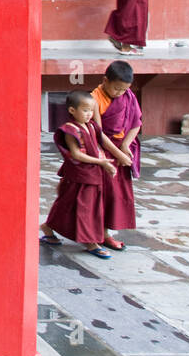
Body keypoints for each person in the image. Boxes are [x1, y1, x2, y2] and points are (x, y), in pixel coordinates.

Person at [40, 91, 132, 259]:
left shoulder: (91, 126)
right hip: (79, 174)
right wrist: (102, 163)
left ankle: (47, 227)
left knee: (68, 206)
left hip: (91, 173)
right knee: (86, 209)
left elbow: (101, 143)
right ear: (72, 110)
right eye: (85, 110)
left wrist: (118, 156)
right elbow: (76, 154)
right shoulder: (70, 130)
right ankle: (91, 242)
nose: (89, 114)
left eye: (91, 110)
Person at [91, 61, 141, 249]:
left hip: (121, 149)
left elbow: (136, 122)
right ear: (105, 80)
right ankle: (97, 234)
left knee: (118, 196)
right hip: (104, 152)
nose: (120, 93)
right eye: (116, 89)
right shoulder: (94, 99)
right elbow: (98, 133)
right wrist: (117, 154)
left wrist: (127, 145)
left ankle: (106, 233)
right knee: (103, 195)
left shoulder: (129, 96)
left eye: (123, 90)